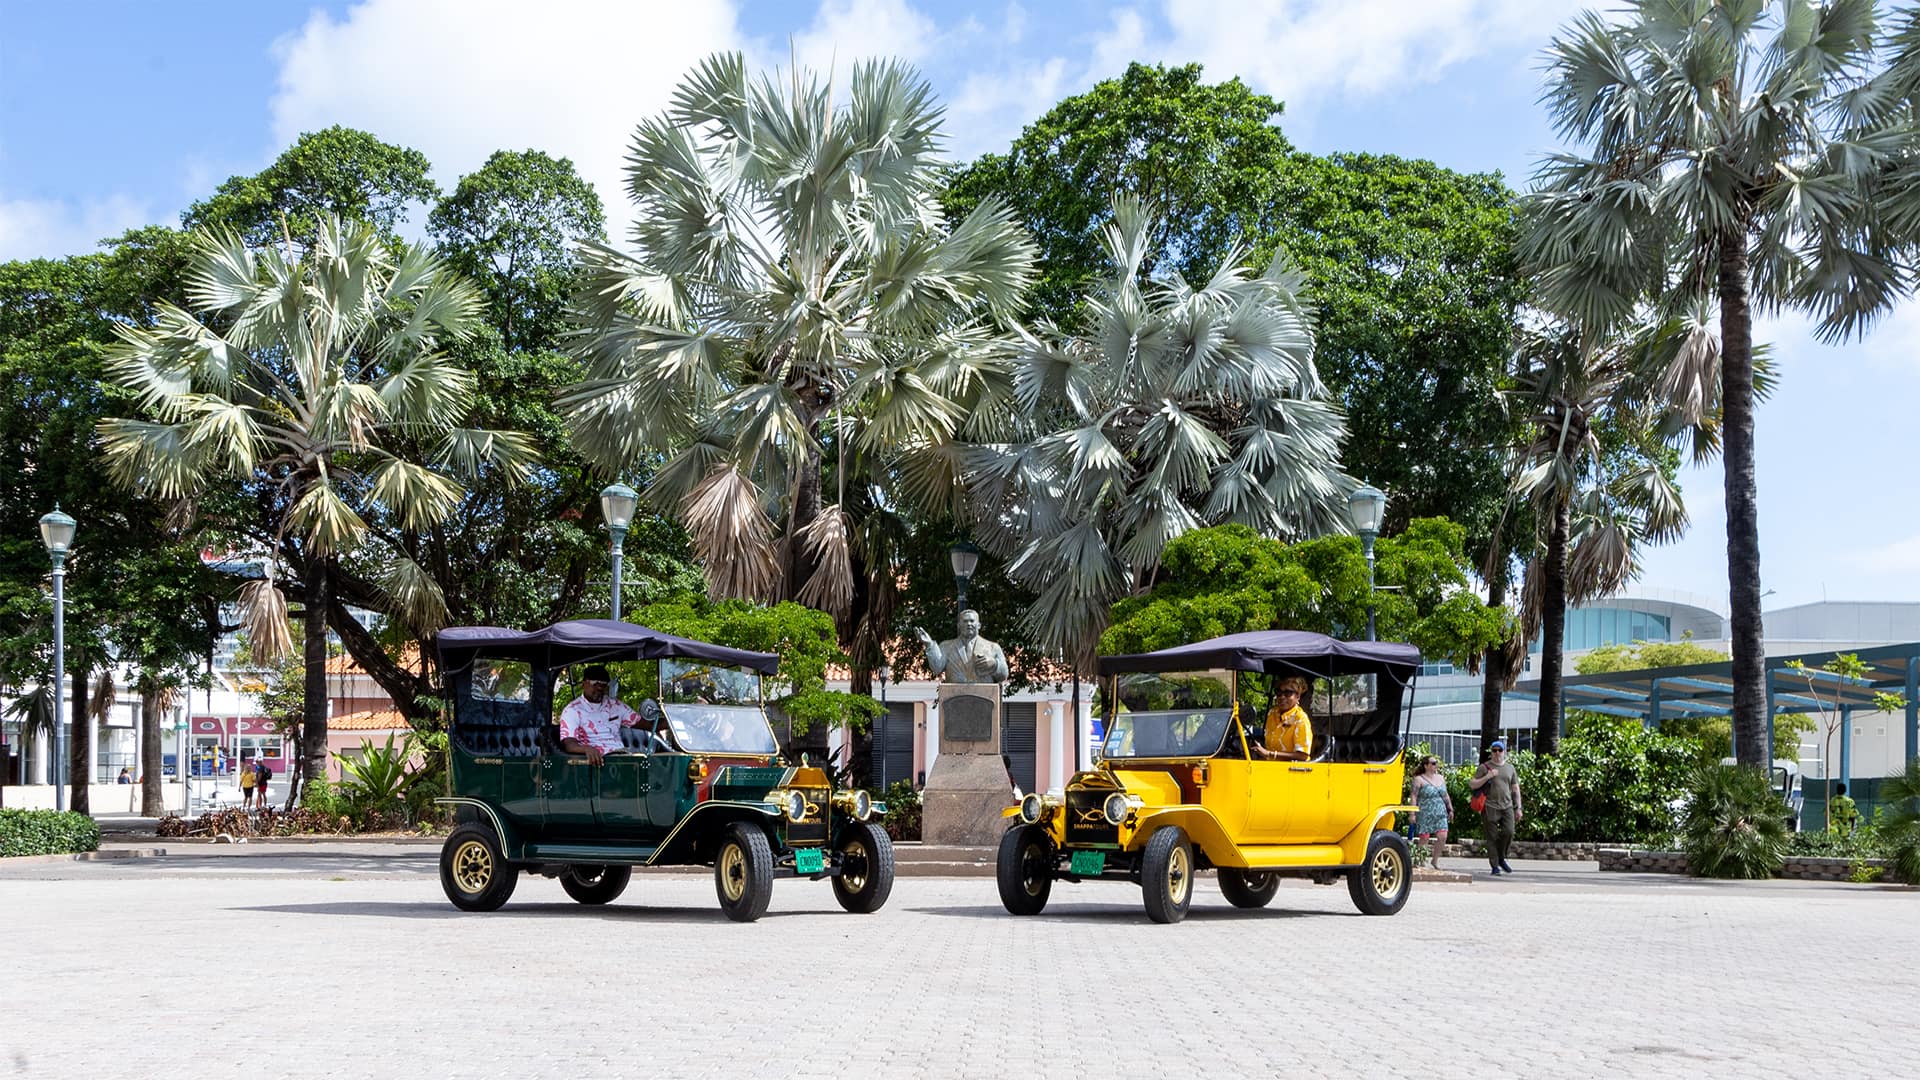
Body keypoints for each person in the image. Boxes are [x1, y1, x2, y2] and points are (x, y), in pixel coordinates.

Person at [558, 664, 646, 765]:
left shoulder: (615, 705)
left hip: (621, 757)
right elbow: (570, 745)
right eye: (595, 683)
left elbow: (646, 724)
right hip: (597, 763)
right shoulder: (572, 710)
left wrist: (667, 719)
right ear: (584, 683)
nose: (599, 688)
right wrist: (587, 749)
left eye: (603, 684)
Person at [913, 610, 1010, 684]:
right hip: (955, 697)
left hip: (984, 697)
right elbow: (937, 668)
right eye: (965, 621)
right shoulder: (946, 646)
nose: (969, 624)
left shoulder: (992, 647)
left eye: (972, 621)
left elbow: (1004, 675)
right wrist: (929, 644)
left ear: (979, 625)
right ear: (959, 625)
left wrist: (995, 664)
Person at [1470, 739, 1523, 875]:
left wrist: (1519, 808)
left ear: (1504, 752)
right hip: (1489, 806)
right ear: (1491, 752)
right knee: (1492, 837)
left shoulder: (1510, 768)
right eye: (1494, 750)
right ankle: (1495, 865)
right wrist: (1487, 776)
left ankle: (1501, 857)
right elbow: (1473, 784)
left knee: (1509, 832)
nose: (1497, 753)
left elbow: (1515, 789)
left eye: (1500, 750)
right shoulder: (1484, 767)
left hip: (1507, 806)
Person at [1409, 755, 1453, 868]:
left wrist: (1450, 809)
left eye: (1436, 763)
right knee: (1424, 838)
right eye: (1433, 763)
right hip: (1425, 812)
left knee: (1442, 836)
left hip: (1440, 812)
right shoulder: (1419, 779)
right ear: (1426, 765)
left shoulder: (1441, 778)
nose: (1435, 765)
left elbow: (1445, 795)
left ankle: (1435, 860)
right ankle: (1419, 860)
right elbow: (1414, 796)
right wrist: (1412, 813)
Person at [1254, 676, 1313, 761]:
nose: (1282, 697)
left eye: (1288, 693)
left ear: (1298, 696)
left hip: (1291, 770)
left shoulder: (1300, 719)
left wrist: (1270, 754)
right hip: (1269, 767)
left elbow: (1303, 755)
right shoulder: (1272, 713)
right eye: (1279, 692)